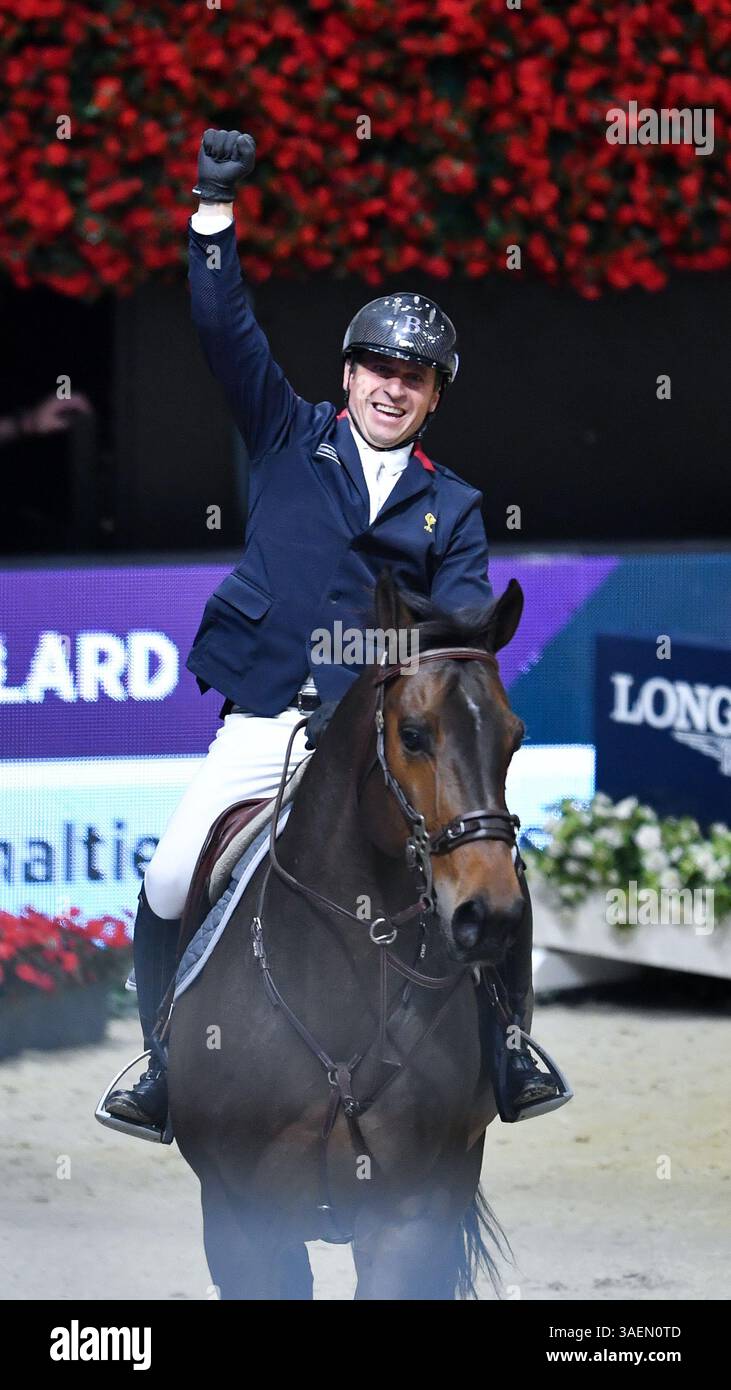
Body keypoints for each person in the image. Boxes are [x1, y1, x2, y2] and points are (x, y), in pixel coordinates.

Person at [106, 130, 571, 1133]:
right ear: (350, 371)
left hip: (392, 743)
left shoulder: (456, 506)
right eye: (376, 367)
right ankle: (157, 1068)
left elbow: (455, 630)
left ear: (432, 393)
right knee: (167, 870)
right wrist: (213, 210)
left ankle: (508, 1049)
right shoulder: (285, 431)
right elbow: (223, 325)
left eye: (414, 376)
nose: (390, 387)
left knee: (500, 876)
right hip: (270, 719)